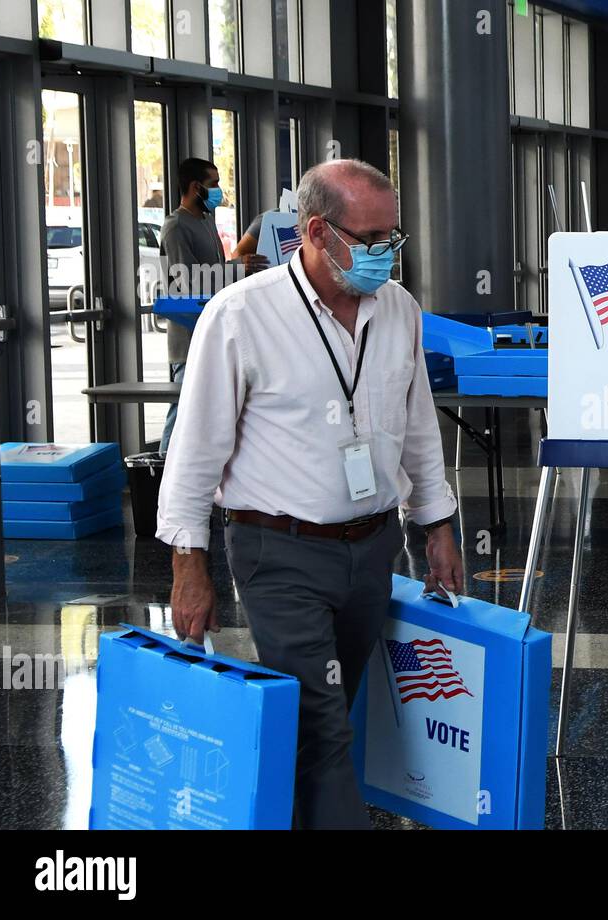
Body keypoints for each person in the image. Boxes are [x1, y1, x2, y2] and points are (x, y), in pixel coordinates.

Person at [156, 158, 462, 829]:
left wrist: (436, 522)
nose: (387, 254)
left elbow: (416, 425)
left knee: (325, 718)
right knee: (324, 730)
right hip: (279, 553)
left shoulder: (399, 310)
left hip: (372, 547)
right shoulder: (240, 316)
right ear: (318, 232)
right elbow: (195, 450)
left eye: (395, 238)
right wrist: (188, 564)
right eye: (372, 239)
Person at [158, 158, 267, 453]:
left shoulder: (205, 222)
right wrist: (236, 269)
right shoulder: (176, 226)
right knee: (182, 408)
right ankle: (162, 469)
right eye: (214, 184)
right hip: (188, 336)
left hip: (212, 330)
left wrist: (236, 268)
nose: (218, 190)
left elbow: (216, 269)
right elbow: (189, 281)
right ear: (196, 187)